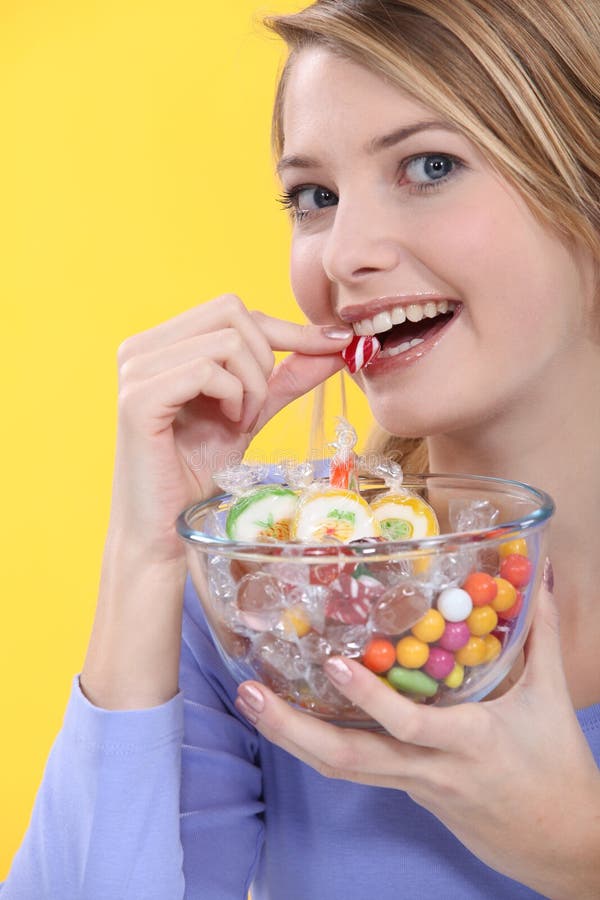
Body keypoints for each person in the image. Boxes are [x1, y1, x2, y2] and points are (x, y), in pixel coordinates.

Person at [2, 1, 599, 897]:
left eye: (429, 166)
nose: (343, 256)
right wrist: (149, 556)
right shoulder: (275, 610)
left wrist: (578, 854)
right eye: (314, 198)